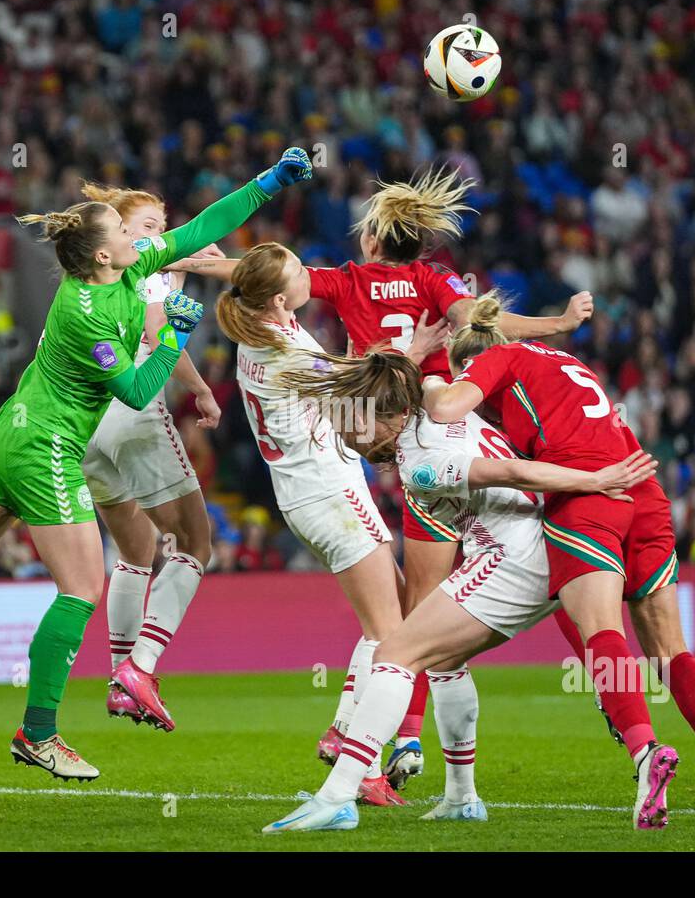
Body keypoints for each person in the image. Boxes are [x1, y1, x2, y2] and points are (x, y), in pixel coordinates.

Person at [0, 149, 312, 781]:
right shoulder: (83, 313)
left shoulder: (126, 270)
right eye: (126, 232)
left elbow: (203, 228)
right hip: (45, 448)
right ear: (103, 255)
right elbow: (133, 390)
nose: (140, 236)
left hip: (7, 434)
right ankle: (37, 733)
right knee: (81, 589)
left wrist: (268, 182)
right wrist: (174, 334)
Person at [169, 168, 592, 788]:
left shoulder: (338, 283)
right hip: (426, 425)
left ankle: (396, 737)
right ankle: (376, 750)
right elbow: (481, 325)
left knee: (411, 603)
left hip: (381, 441)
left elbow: (275, 283)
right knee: (418, 609)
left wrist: (212, 264)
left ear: (372, 239)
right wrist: (556, 325)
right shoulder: (428, 276)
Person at [421, 300, 695, 825]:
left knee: (601, 633)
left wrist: (432, 381)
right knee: (670, 652)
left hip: (590, 495)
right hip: (645, 492)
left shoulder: (497, 358)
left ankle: (645, 752)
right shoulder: (566, 363)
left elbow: (448, 408)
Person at [262, 349, 655, 832]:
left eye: (355, 427)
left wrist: (594, 479)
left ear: (389, 416)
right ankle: (461, 797)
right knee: (444, 660)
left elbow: (514, 472)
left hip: (512, 556)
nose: (350, 438)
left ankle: (336, 797)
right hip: (535, 544)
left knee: (396, 653)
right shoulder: (435, 400)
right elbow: (428, 385)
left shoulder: (420, 463)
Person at [213, 242, 448, 806]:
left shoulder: (265, 332)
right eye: (298, 271)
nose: (308, 274)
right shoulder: (283, 349)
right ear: (277, 298)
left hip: (315, 491)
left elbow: (337, 402)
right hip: (328, 496)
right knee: (391, 635)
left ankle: (345, 733)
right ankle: (359, 761)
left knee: (389, 615)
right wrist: (412, 352)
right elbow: (357, 389)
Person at [79, 187, 224, 732]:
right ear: (117, 231)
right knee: (195, 543)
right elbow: (157, 335)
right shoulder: (143, 270)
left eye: (164, 221)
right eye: (145, 223)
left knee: (136, 549)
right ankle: (140, 668)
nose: (158, 230)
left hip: (87, 424)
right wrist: (204, 392)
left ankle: (119, 679)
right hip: (133, 411)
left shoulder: (100, 273)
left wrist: (184, 262)